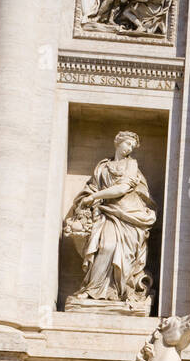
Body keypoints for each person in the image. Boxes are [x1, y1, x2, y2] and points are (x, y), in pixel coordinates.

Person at [65, 131, 157, 305]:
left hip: (128, 215)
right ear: (118, 142)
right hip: (105, 212)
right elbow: (92, 187)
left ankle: (118, 292)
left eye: (132, 146)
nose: (129, 148)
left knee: (117, 251)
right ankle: (92, 290)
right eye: (127, 143)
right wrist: (87, 198)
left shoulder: (131, 165)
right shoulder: (103, 166)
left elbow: (122, 189)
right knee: (104, 247)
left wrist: (94, 197)